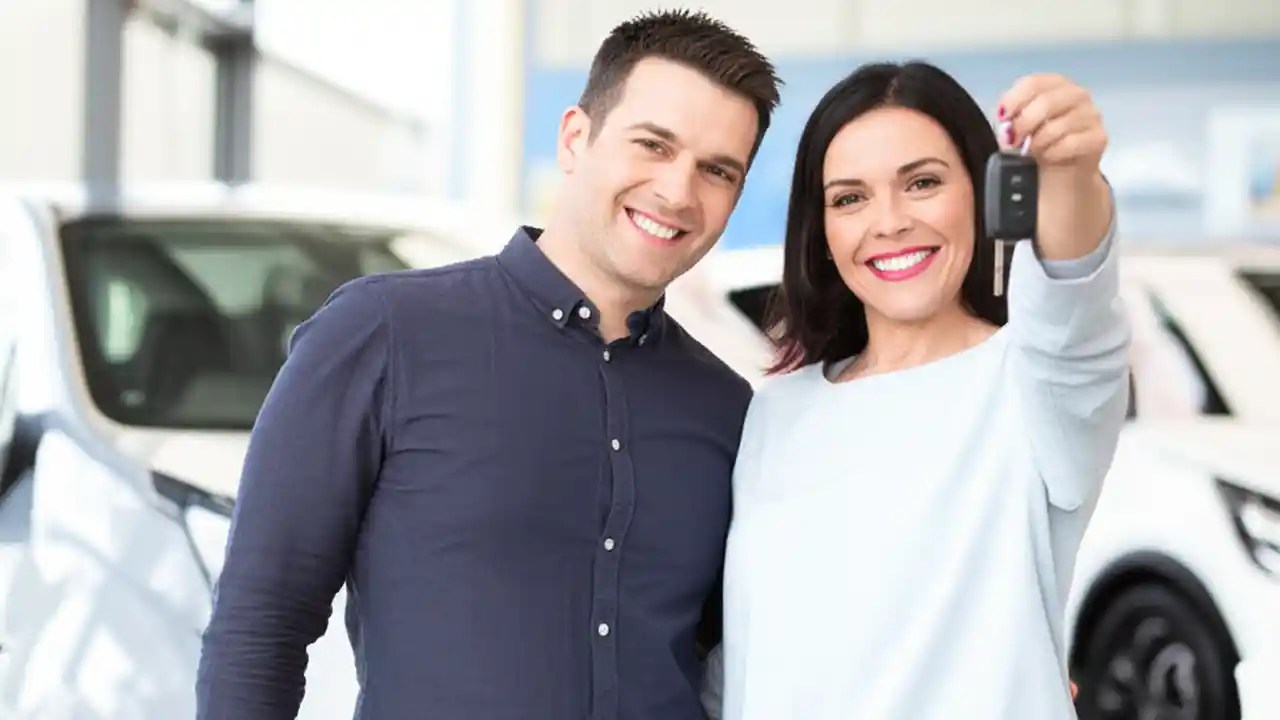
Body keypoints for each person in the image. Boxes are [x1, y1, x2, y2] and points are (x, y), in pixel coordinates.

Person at [196, 9, 781, 720]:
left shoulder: (726, 407)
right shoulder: (382, 335)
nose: (679, 191)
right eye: (653, 145)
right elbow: (262, 622)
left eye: (717, 170)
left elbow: (721, 653)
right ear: (576, 138)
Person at [702, 62, 1131, 719]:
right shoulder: (775, 413)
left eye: (923, 183)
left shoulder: (1034, 381)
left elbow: (1077, 295)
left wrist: (1070, 173)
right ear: (822, 233)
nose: (890, 221)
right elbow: (747, 661)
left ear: (982, 197)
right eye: (850, 198)